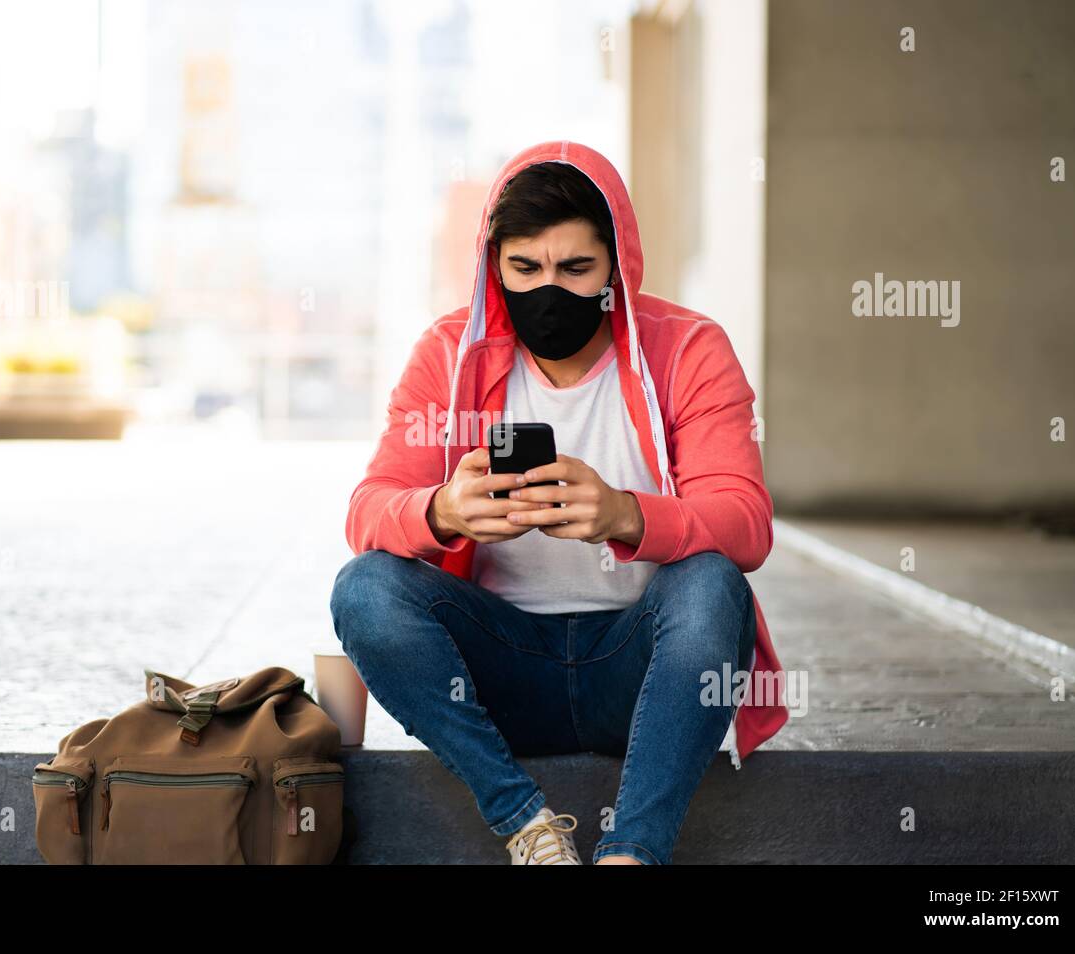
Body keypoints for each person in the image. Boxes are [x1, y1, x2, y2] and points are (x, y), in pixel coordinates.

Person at [330, 140, 789, 865]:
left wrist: (625, 515)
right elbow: (368, 509)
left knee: (712, 584)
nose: (551, 290)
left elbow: (747, 523)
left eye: (577, 269)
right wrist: (442, 511)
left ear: (618, 266)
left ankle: (630, 853)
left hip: (640, 673)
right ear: (494, 268)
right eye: (525, 269)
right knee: (365, 589)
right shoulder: (448, 355)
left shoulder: (690, 350)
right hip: (501, 672)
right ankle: (526, 826)